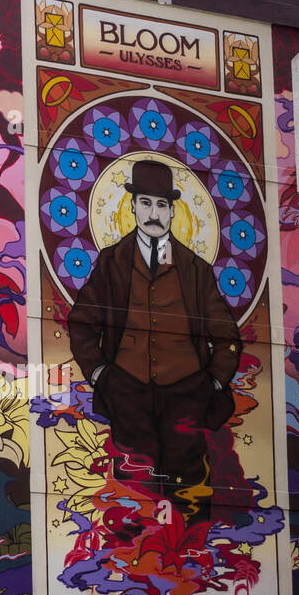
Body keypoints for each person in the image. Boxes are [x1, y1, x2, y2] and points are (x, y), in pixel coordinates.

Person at [66, 159, 242, 519]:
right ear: (132, 206)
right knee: (133, 483)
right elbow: (81, 322)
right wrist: (101, 375)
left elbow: (227, 335)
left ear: (173, 211)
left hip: (186, 394)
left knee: (190, 485)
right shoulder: (111, 262)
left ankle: (192, 543)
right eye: (145, 203)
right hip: (126, 391)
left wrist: (211, 383)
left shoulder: (195, 269)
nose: (153, 214)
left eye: (162, 204)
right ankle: (133, 546)